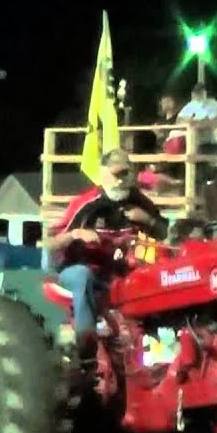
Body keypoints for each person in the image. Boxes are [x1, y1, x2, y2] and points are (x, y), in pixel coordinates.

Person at [43, 149, 165, 358]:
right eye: (115, 175)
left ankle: (156, 343)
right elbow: (50, 243)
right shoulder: (86, 203)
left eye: (125, 174)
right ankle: (86, 344)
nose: (120, 181)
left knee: (158, 273)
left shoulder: (141, 202)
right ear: (103, 174)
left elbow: (165, 235)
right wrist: (76, 234)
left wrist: (148, 220)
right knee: (83, 275)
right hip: (80, 270)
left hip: (123, 271)